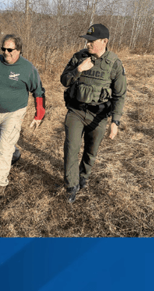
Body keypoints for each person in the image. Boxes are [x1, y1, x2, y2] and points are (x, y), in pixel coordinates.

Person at [60, 24, 126, 203]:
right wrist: (79, 69)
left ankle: (83, 176)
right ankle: (71, 186)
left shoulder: (113, 63)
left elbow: (120, 94)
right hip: (76, 111)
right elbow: (64, 80)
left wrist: (115, 121)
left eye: (91, 41)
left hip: (98, 115)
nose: (87, 44)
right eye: (86, 41)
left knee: (91, 151)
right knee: (71, 148)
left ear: (104, 41)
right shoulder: (79, 57)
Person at [0, 34, 46, 200]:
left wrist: (39, 112)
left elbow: (38, 90)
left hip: (15, 112)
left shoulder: (27, 68)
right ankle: (15, 154)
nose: (6, 52)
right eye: (3, 49)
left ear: (19, 50)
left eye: (10, 49)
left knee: (3, 148)